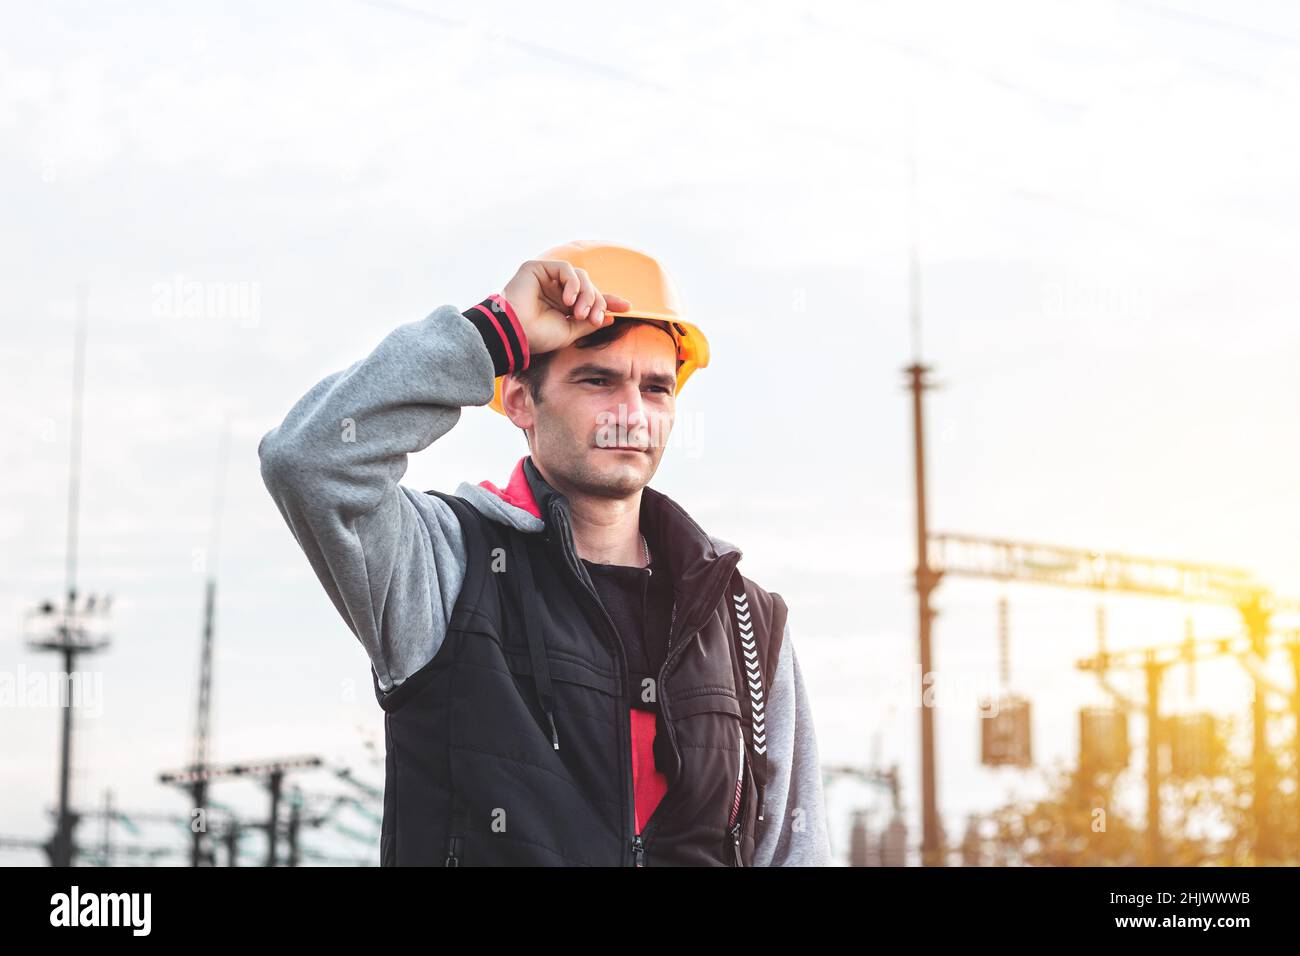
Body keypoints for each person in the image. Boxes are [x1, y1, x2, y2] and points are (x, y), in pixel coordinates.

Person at [258, 239, 831, 866]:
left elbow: (796, 854)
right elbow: (308, 460)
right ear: (520, 400)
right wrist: (493, 333)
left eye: (657, 388)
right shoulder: (445, 566)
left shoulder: (742, 618)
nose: (631, 413)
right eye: (598, 379)